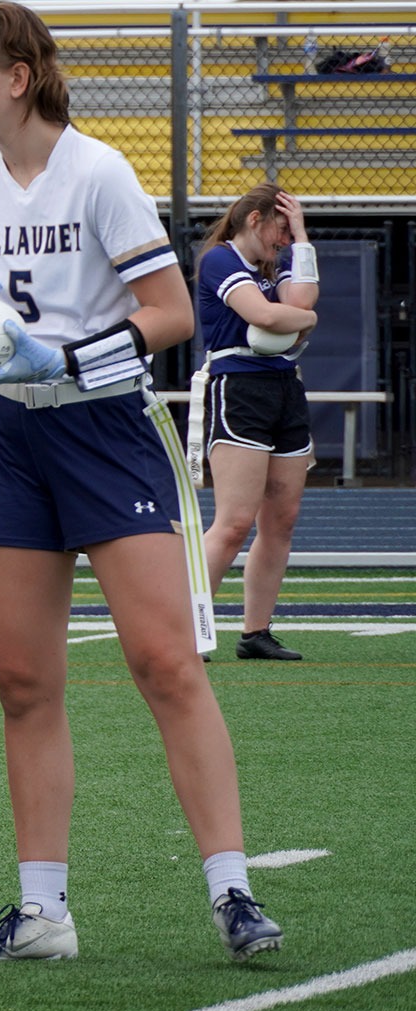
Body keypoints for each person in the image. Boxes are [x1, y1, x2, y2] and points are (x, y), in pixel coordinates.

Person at [0, 1, 281, 963]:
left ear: (19, 78)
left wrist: (67, 362)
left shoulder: (100, 172)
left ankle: (234, 891)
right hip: (10, 438)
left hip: (104, 431)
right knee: (23, 679)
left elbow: (168, 313)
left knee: (166, 663)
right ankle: (43, 914)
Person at [196, 185, 319, 661]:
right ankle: (192, 629)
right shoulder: (219, 260)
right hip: (238, 387)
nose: (285, 241)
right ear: (255, 220)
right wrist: (304, 317)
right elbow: (264, 313)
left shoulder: (283, 256)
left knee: (281, 519)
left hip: (285, 385)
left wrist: (303, 234)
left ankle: (255, 632)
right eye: (283, 228)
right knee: (233, 522)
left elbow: (299, 298)